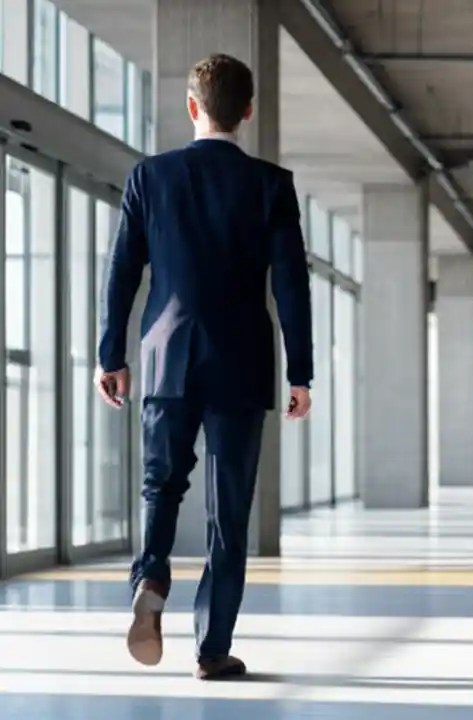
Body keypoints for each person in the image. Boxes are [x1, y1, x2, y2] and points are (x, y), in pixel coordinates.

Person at [96, 53, 313, 680]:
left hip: (165, 358)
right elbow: (292, 286)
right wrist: (301, 372)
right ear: (247, 112)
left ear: (193, 107)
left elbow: (122, 274)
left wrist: (113, 355)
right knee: (229, 511)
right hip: (242, 362)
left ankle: (151, 576)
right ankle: (212, 649)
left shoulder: (150, 177)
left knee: (160, 485)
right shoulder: (271, 185)